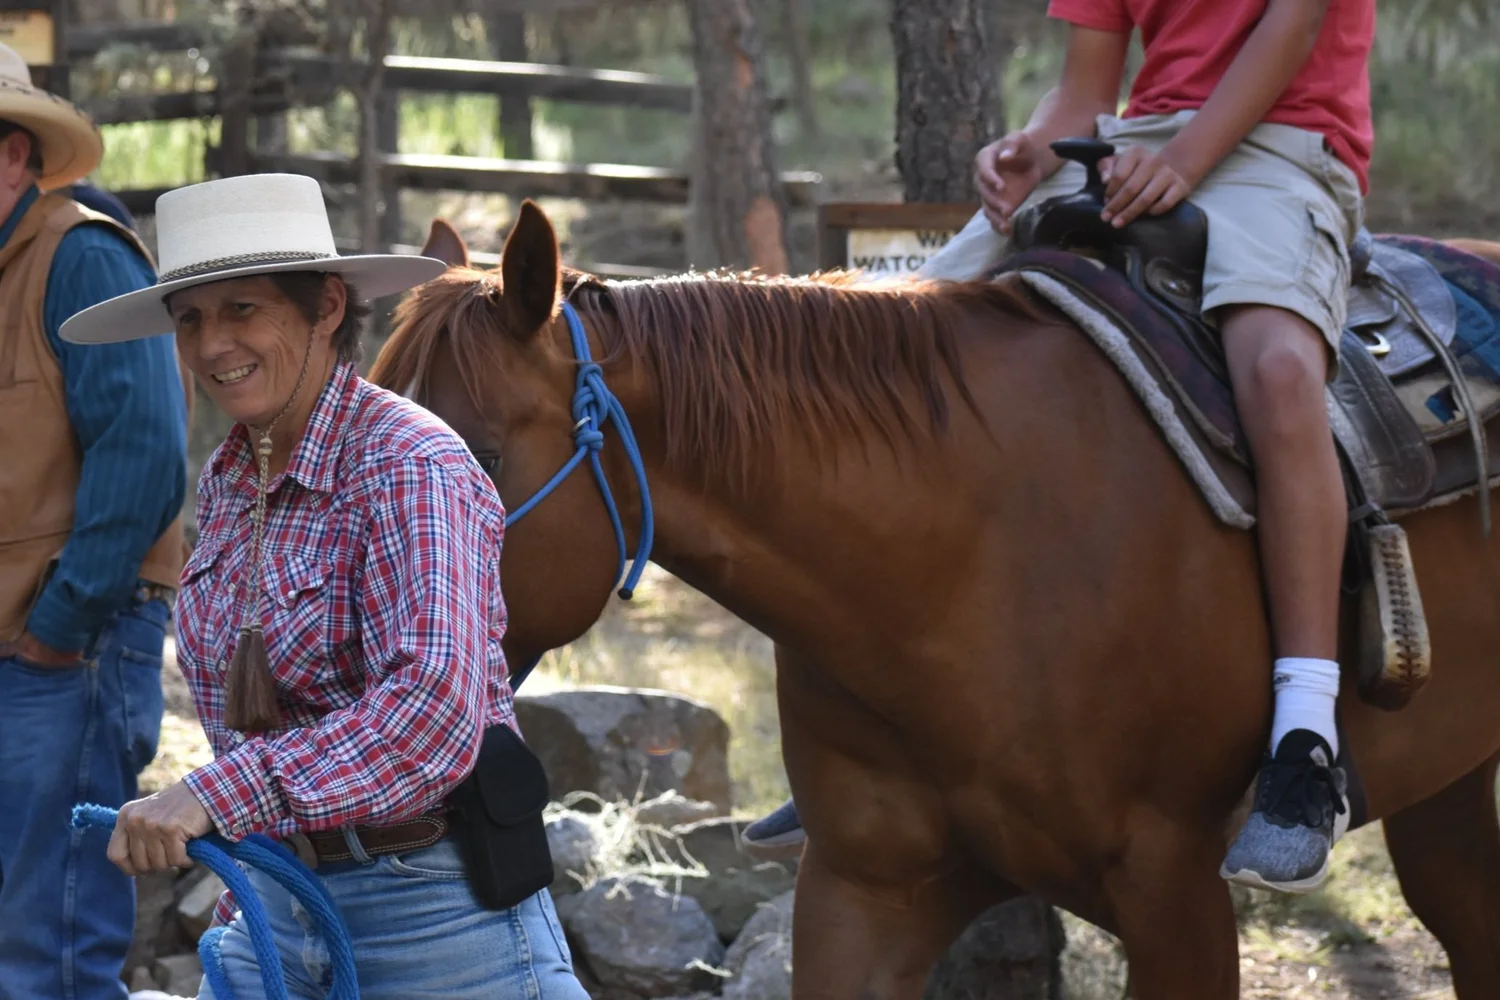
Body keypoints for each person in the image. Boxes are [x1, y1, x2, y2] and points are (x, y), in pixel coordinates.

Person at [745, 0, 1374, 895]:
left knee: (1276, 372)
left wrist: (1182, 162)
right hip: (1127, 151)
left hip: (1281, 148)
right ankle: (866, 706)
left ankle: (1306, 737)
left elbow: (1292, 31)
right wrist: (1037, 144)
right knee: (885, 347)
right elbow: (1086, 83)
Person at [60, 171, 589, 1000]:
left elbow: (430, 709)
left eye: (243, 310)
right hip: (276, 899)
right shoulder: (235, 475)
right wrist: (250, 854)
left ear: (328, 308)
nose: (210, 348)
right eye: (191, 319)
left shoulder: (409, 464)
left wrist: (217, 797)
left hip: (435, 923)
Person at [0, 40, 191, 1000]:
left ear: (14, 156)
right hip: (26, 646)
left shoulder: (82, 256)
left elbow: (147, 450)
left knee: (52, 953)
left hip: (65, 646)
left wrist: (58, 629)